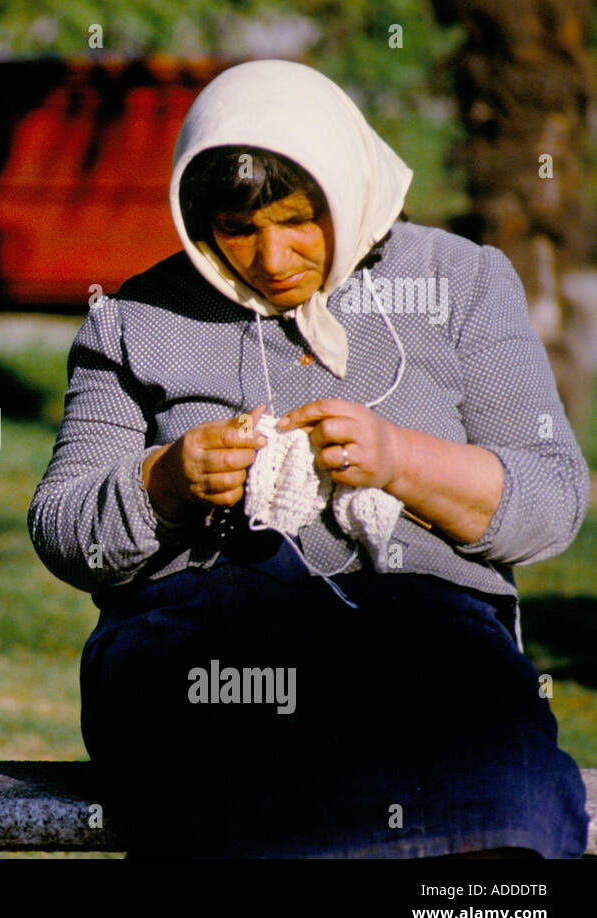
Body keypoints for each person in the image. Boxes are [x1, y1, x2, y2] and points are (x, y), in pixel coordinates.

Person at [29, 60, 590, 857]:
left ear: (345, 189)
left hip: (425, 627)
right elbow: (62, 527)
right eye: (237, 228)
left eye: (300, 221)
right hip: (201, 634)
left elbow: (553, 498)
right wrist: (166, 483)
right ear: (198, 219)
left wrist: (400, 461)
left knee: (506, 801)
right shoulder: (132, 320)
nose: (271, 257)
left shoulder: (458, 282)